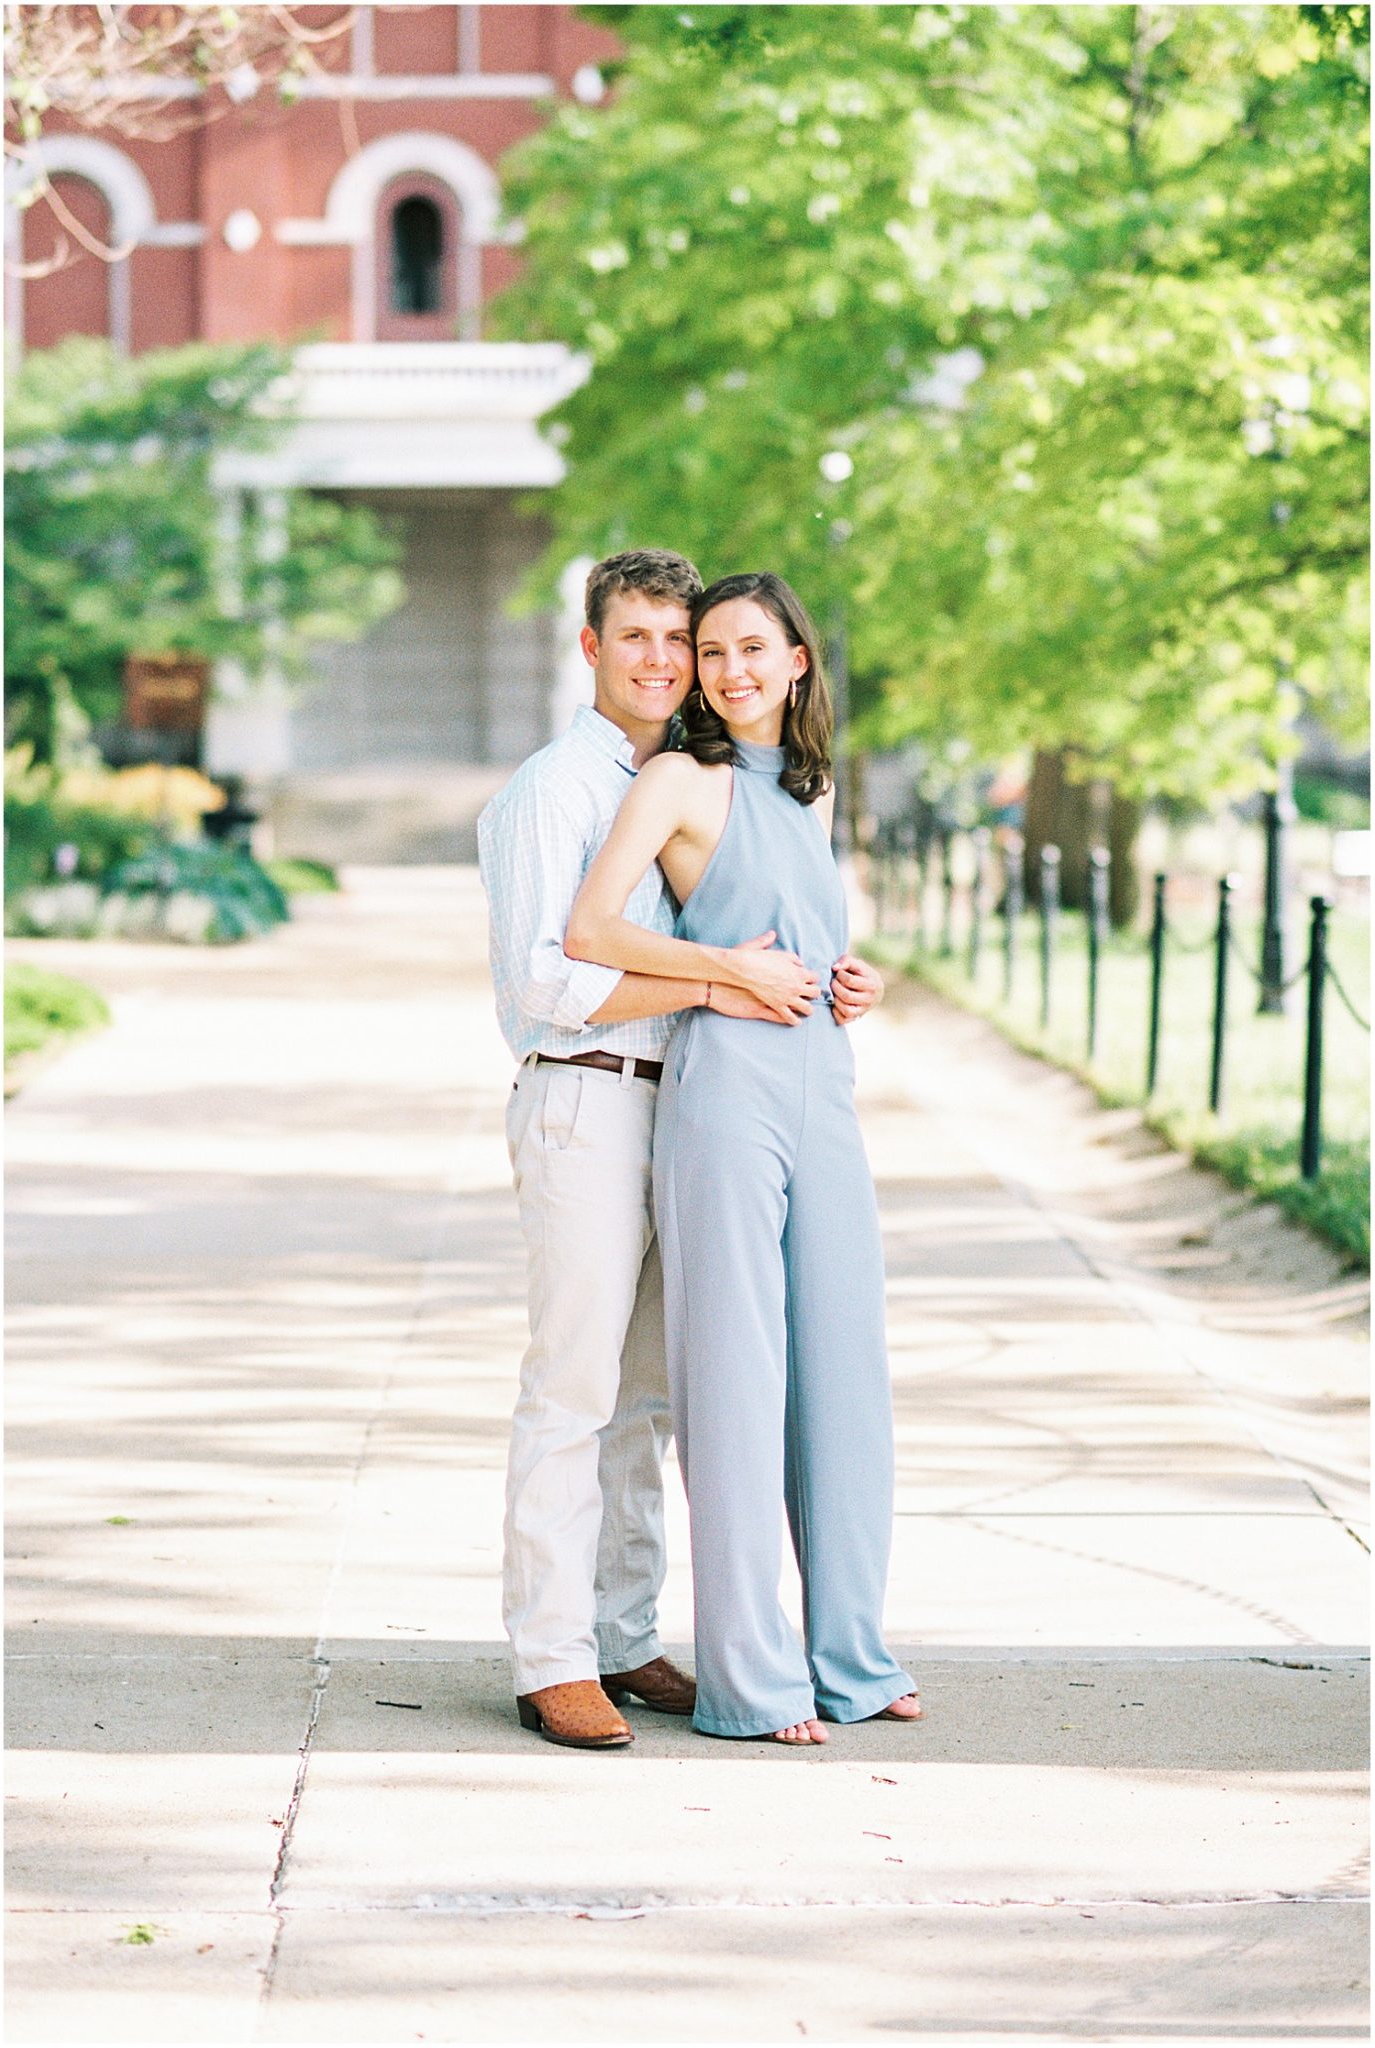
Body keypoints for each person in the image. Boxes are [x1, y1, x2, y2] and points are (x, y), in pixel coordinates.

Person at [477, 550, 884, 1751]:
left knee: (650, 1395)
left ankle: (618, 1632)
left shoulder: (703, 775)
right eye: (640, 636)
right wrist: (723, 973)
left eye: (679, 636)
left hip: (692, 1100)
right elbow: (543, 978)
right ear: (591, 646)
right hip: (587, 1095)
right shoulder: (554, 788)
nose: (665, 658)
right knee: (573, 1386)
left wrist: (808, 980)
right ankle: (550, 1657)